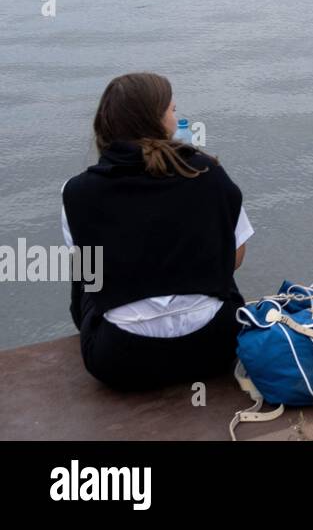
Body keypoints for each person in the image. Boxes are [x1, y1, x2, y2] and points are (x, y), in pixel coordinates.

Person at [62, 73, 250, 391]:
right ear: (158, 121)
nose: (177, 118)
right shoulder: (208, 171)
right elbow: (236, 257)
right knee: (217, 260)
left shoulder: (76, 191)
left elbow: (89, 275)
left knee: (85, 272)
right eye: (172, 110)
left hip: (119, 359)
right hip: (215, 346)